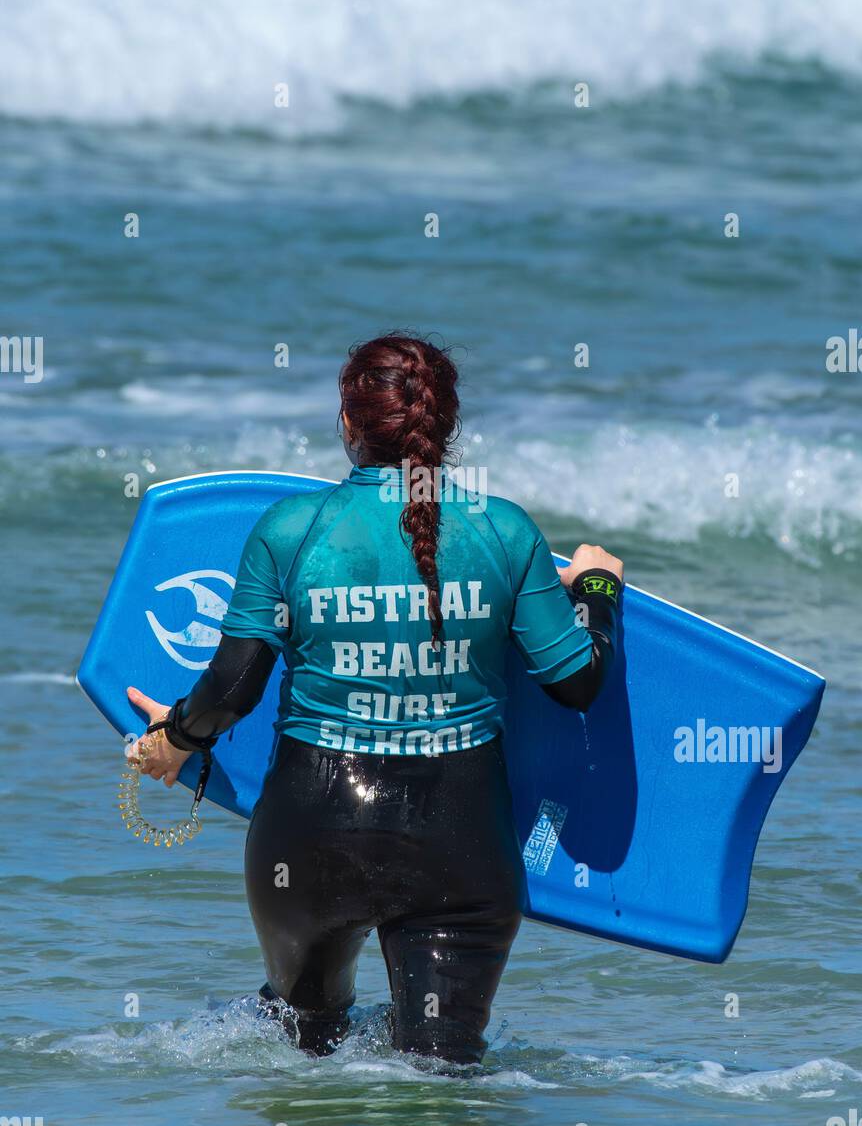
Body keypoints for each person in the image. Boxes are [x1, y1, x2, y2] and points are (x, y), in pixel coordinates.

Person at [126, 333, 623, 1066]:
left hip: (308, 838)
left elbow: (232, 688)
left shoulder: (290, 529)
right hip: (458, 848)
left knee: (300, 1051)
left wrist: (177, 739)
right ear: (446, 426)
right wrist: (597, 589)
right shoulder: (505, 530)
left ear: (348, 421)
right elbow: (576, 683)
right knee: (440, 1078)